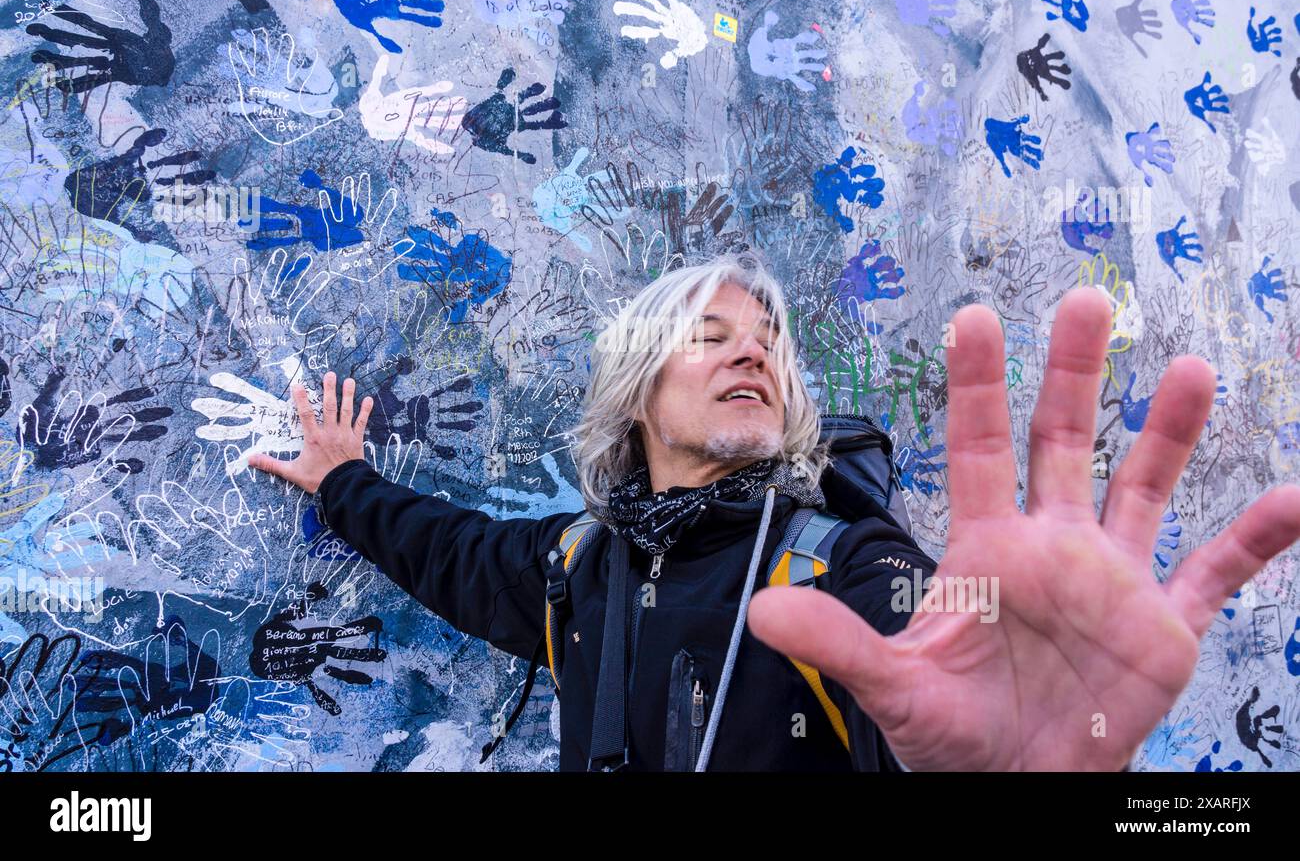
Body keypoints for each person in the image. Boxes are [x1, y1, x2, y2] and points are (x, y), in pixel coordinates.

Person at [248, 253, 1300, 771]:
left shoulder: (842, 561)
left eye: (765, 339)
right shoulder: (578, 561)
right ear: (637, 389)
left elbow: (928, 656)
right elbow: (452, 552)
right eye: (708, 335)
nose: (752, 348)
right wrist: (344, 481)